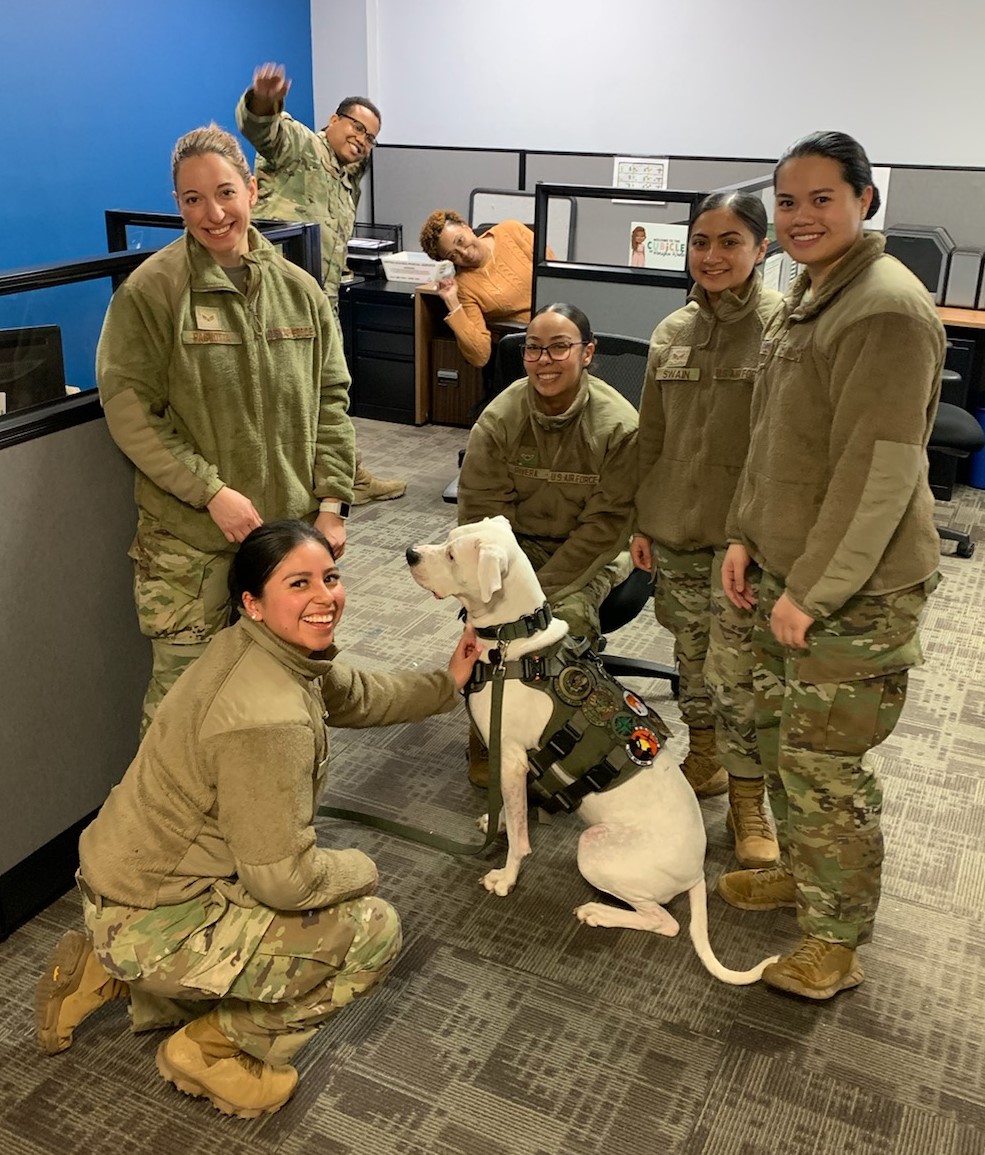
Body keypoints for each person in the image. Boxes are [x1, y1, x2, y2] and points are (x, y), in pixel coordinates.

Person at [35, 519, 481, 1118]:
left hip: (129, 875)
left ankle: (104, 967)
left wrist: (445, 684)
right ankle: (211, 1050)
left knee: (278, 893)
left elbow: (354, 694)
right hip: (155, 909)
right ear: (254, 602)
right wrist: (362, 869)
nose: (325, 597)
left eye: (331, 577)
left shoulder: (255, 646)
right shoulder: (268, 720)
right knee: (370, 930)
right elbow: (284, 880)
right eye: (299, 584)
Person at [717, 131, 945, 999]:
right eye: (787, 201)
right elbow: (775, 440)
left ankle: (835, 939)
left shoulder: (882, 308)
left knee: (825, 765)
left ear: (864, 201)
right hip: (787, 564)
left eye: (822, 198)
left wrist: (811, 591)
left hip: (854, 591)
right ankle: (809, 878)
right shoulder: (808, 295)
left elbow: (875, 474)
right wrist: (744, 532)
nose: (801, 215)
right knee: (784, 742)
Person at [97, 124, 356, 735]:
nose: (212, 213)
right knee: (184, 712)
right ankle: (167, 834)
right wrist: (211, 491)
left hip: (285, 542)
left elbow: (331, 401)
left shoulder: (299, 291)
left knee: (282, 701)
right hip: (191, 547)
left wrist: (332, 503)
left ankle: (270, 826)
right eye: (191, 200)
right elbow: (132, 412)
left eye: (224, 193)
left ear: (252, 189)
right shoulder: (153, 292)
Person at [631, 192, 783, 856]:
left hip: (745, 541)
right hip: (675, 530)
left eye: (729, 241)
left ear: (761, 249)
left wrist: (753, 534)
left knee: (739, 676)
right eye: (700, 241)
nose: (712, 255)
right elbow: (651, 437)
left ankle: (749, 807)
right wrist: (640, 518)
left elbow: (785, 450)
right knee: (690, 662)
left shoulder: (783, 331)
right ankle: (706, 757)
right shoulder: (671, 331)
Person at [457, 302, 638, 784]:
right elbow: (480, 514)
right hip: (517, 547)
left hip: (592, 554)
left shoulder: (618, 426)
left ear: (588, 354)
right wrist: (505, 585)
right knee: (489, 620)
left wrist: (539, 594)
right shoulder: (500, 418)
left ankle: (558, 744)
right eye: (534, 348)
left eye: (560, 347)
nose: (545, 359)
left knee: (564, 624)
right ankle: (487, 731)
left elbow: (605, 527)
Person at [236, 62, 405, 504]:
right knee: (287, 394)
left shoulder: (349, 180)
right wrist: (265, 100)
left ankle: (344, 475)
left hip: (322, 299)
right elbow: (265, 129)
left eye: (371, 138)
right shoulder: (301, 147)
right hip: (276, 299)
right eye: (357, 128)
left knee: (330, 389)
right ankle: (302, 484)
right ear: (333, 120)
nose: (363, 142)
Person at [419, 210, 553, 368]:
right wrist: (453, 303)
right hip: (525, 349)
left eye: (460, 241)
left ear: (466, 227)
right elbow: (480, 356)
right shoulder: (464, 286)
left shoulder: (511, 231)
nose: (465, 253)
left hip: (556, 326)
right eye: (453, 256)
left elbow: (553, 276)